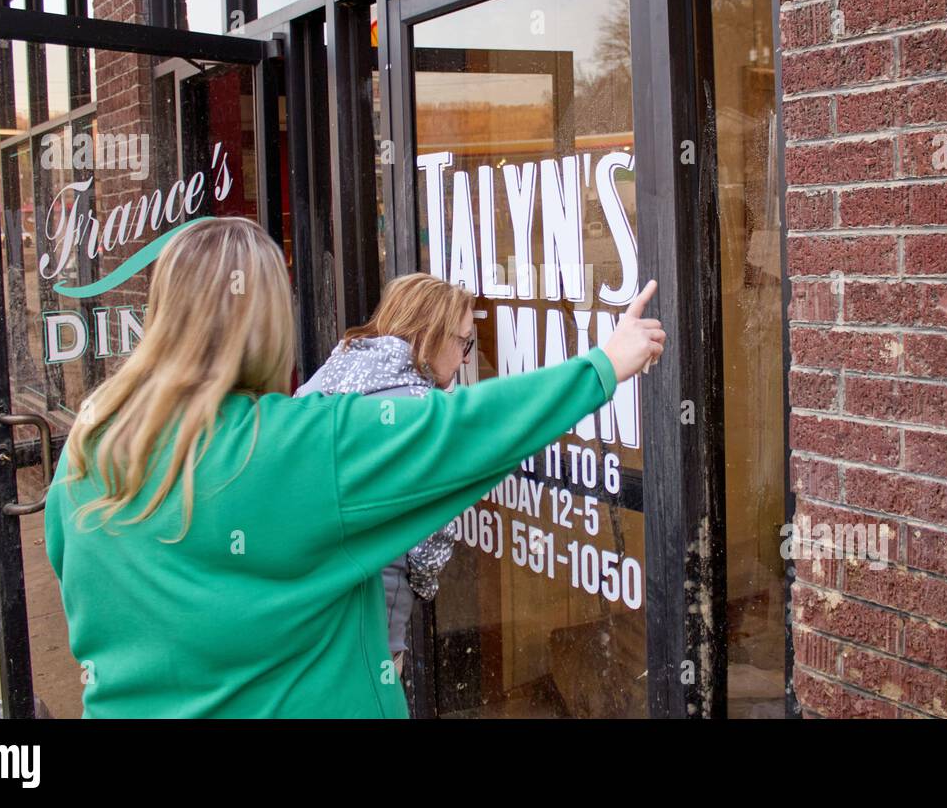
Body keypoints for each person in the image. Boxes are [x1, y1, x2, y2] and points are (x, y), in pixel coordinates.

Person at [43, 216, 665, 717]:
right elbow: (464, 432)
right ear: (266, 324)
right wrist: (604, 365)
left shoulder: (87, 449)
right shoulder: (295, 446)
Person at [294, 272, 476, 678]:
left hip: (301, 600)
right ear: (432, 334)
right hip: (374, 617)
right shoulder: (423, 409)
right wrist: (422, 585)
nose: (466, 358)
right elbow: (429, 538)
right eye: (465, 342)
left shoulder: (329, 373)